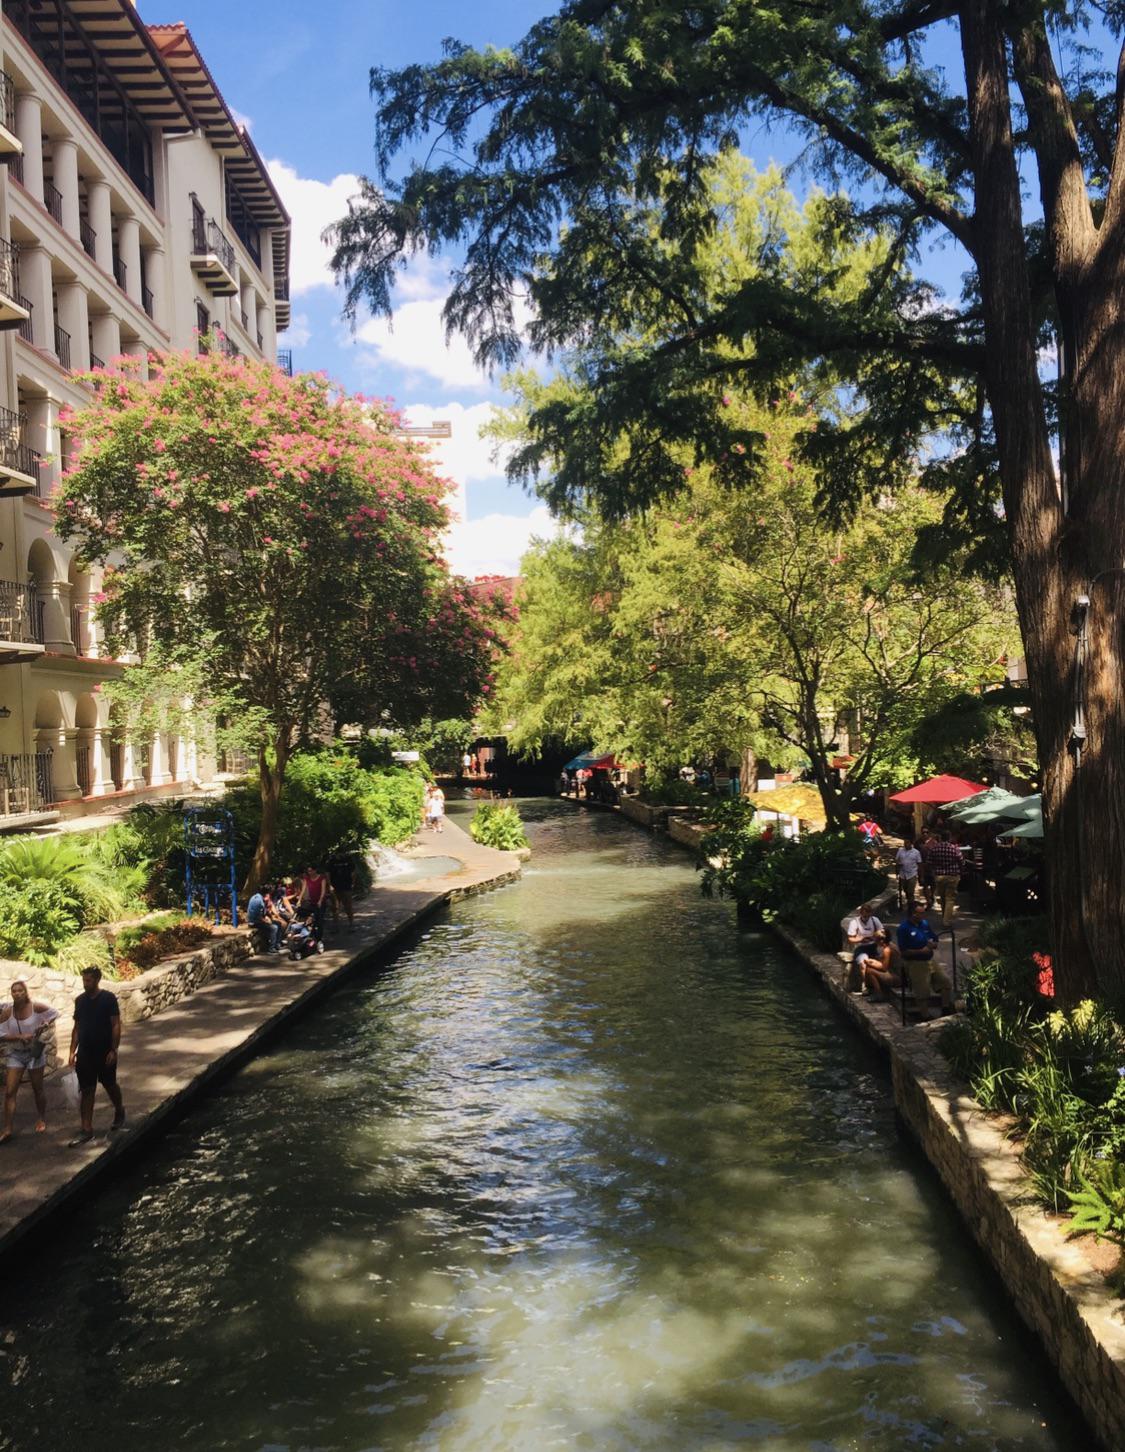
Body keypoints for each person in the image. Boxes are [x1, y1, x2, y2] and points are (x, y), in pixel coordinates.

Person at [68, 967, 124, 1145]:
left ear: (97, 980)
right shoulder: (80, 1001)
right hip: (85, 1052)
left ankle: (119, 1109)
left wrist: (113, 1049)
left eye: (89, 981)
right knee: (87, 1090)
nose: (85, 984)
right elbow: (76, 1027)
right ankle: (86, 1129)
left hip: (104, 1050)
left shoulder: (108, 998)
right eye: (84, 981)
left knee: (109, 1084)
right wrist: (72, 1051)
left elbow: (115, 1024)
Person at [0, 981, 60, 1142]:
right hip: (16, 1054)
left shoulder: (36, 1007)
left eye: (20, 990)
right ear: (11, 993)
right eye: (14, 991)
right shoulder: (7, 1012)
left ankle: (41, 1118)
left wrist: (46, 1023)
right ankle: (7, 1129)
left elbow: (54, 1013)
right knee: (9, 1091)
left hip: (34, 1053)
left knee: (37, 1088)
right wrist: (19, 1037)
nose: (17, 993)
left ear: (25, 992)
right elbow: (1, 1034)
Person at [896, 904, 955, 1011]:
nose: (924, 915)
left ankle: (945, 1008)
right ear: (914, 914)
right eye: (921, 913)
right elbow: (904, 951)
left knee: (945, 982)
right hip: (916, 963)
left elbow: (934, 937)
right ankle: (924, 1015)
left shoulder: (924, 924)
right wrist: (920, 951)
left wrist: (934, 943)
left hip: (929, 960)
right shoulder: (903, 929)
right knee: (922, 991)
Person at [926, 831, 965, 926]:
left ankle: (945, 917)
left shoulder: (934, 848)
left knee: (943, 898)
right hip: (952, 876)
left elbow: (928, 862)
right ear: (949, 838)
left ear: (940, 837)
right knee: (950, 899)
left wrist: (933, 872)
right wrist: (961, 871)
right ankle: (946, 921)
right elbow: (961, 861)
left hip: (939, 876)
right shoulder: (954, 848)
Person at [859, 931, 904, 1002]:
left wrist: (871, 963)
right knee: (870, 967)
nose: (876, 943)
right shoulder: (891, 945)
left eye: (876, 941)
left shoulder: (887, 950)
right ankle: (875, 990)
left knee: (869, 971)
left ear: (881, 940)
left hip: (897, 977)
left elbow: (884, 968)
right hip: (895, 973)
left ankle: (879, 994)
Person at [299, 865, 331, 944]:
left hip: (320, 902)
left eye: (311, 871)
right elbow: (303, 889)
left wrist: (320, 900)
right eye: (308, 871)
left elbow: (323, 890)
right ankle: (312, 935)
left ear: (315, 870)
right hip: (312, 902)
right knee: (312, 919)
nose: (309, 873)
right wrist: (299, 900)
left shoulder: (321, 878)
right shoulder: (307, 879)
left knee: (319, 919)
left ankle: (319, 938)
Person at [247, 884, 283, 954]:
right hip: (254, 922)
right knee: (274, 927)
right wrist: (266, 921)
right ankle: (271, 948)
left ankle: (277, 944)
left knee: (278, 923)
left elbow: (263, 912)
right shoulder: (257, 900)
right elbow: (256, 916)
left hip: (259, 920)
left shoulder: (261, 898)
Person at [845, 902, 883, 968]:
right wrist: (860, 939)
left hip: (874, 946)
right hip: (860, 948)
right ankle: (864, 977)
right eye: (865, 916)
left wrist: (876, 936)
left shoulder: (875, 920)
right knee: (863, 965)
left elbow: (882, 932)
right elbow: (850, 939)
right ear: (861, 914)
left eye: (868, 916)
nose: (866, 918)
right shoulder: (854, 922)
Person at [328, 852, 356, 933]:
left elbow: (353, 872)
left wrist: (352, 883)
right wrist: (330, 885)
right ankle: (336, 926)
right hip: (335, 887)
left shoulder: (348, 860)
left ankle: (351, 924)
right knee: (335, 907)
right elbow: (328, 873)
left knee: (348, 906)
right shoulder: (331, 861)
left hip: (347, 886)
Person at [895, 838, 923, 910]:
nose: (905, 845)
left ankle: (911, 905)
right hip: (902, 874)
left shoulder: (916, 852)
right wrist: (898, 867)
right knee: (905, 889)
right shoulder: (900, 850)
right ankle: (909, 900)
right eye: (905, 843)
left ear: (911, 843)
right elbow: (897, 860)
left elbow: (919, 863)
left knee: (911, 891)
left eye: (907, 843)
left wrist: (920, 876)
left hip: (912, 874)